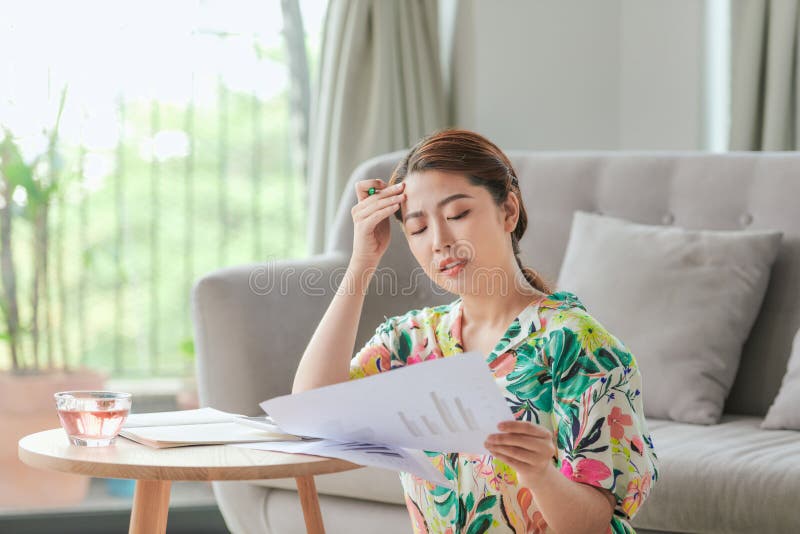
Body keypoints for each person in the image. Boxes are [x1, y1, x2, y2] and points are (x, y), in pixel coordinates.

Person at [292, 129, 659, 533]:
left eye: (457, 215)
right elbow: (312, 414)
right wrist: (362, 260)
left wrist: (539, 474)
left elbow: (592, 526)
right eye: (417, 229)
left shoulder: (577, 345)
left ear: (509, 212)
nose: (440, 241)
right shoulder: (413, 341)